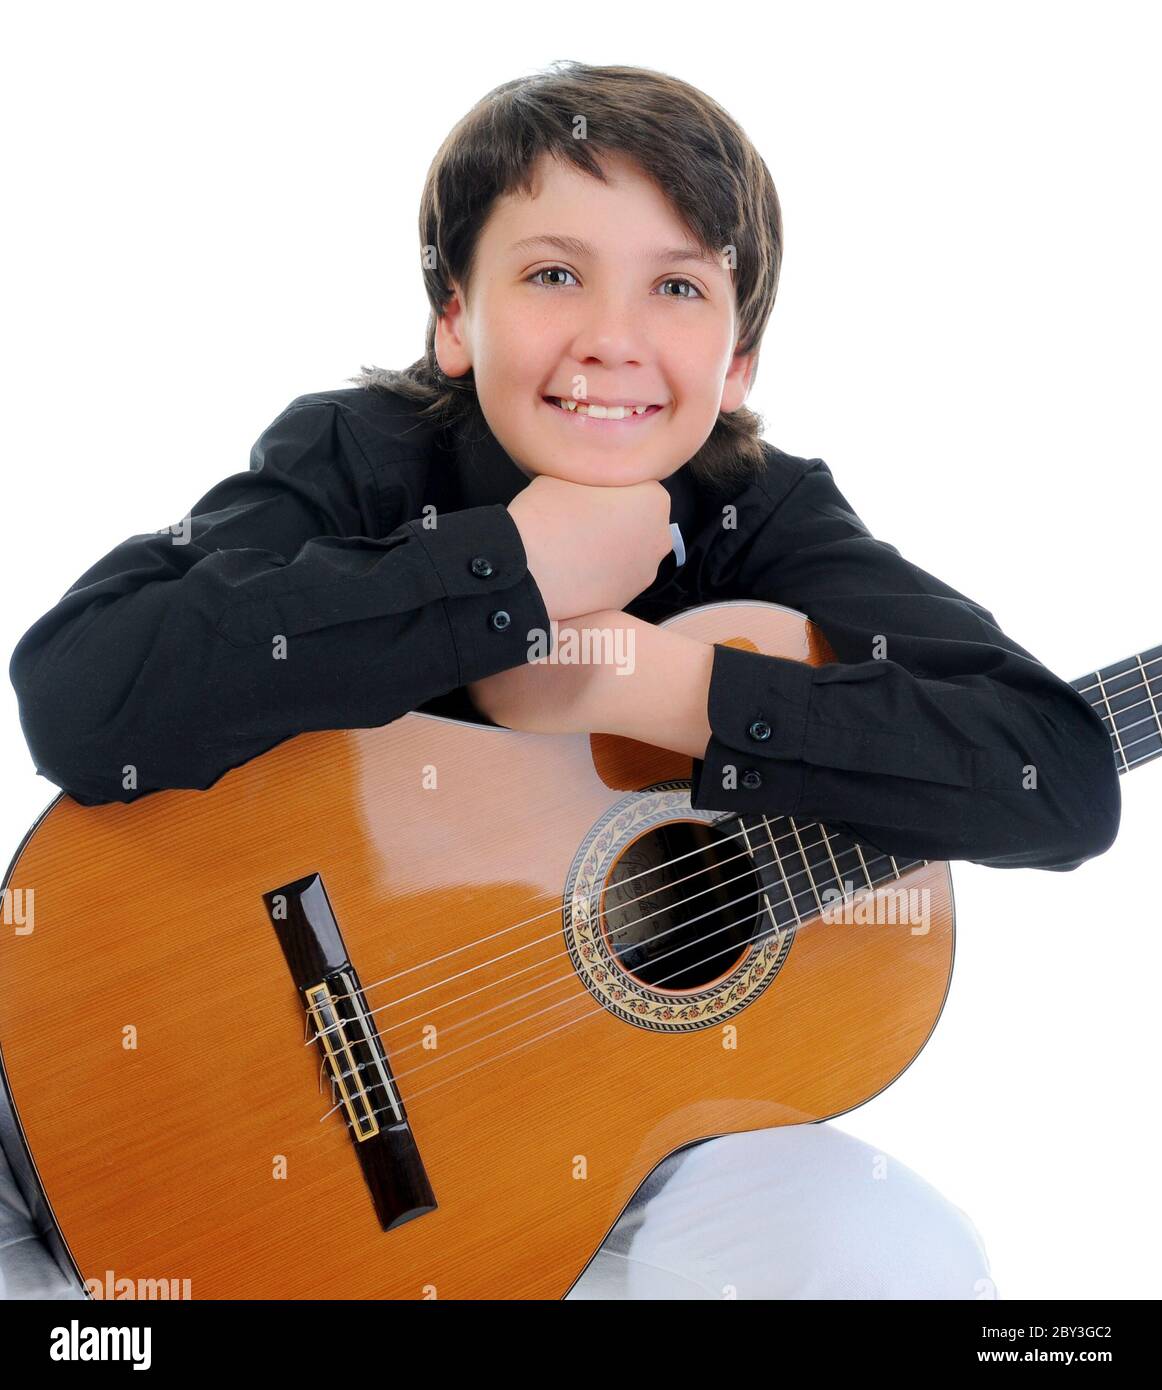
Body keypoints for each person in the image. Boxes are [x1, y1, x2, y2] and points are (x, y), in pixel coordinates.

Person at [4, 62, 1120, 1300]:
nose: (612, 337)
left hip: (510, 1181)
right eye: (550, 274)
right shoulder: (362, 455)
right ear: (452, 318)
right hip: (88, 1082)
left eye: (680, 286)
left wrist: (645, 683)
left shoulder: (766, 517)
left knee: (898, 1262)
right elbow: (82, 697)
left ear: (739, 357)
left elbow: (1057, 775)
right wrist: (508, 571)